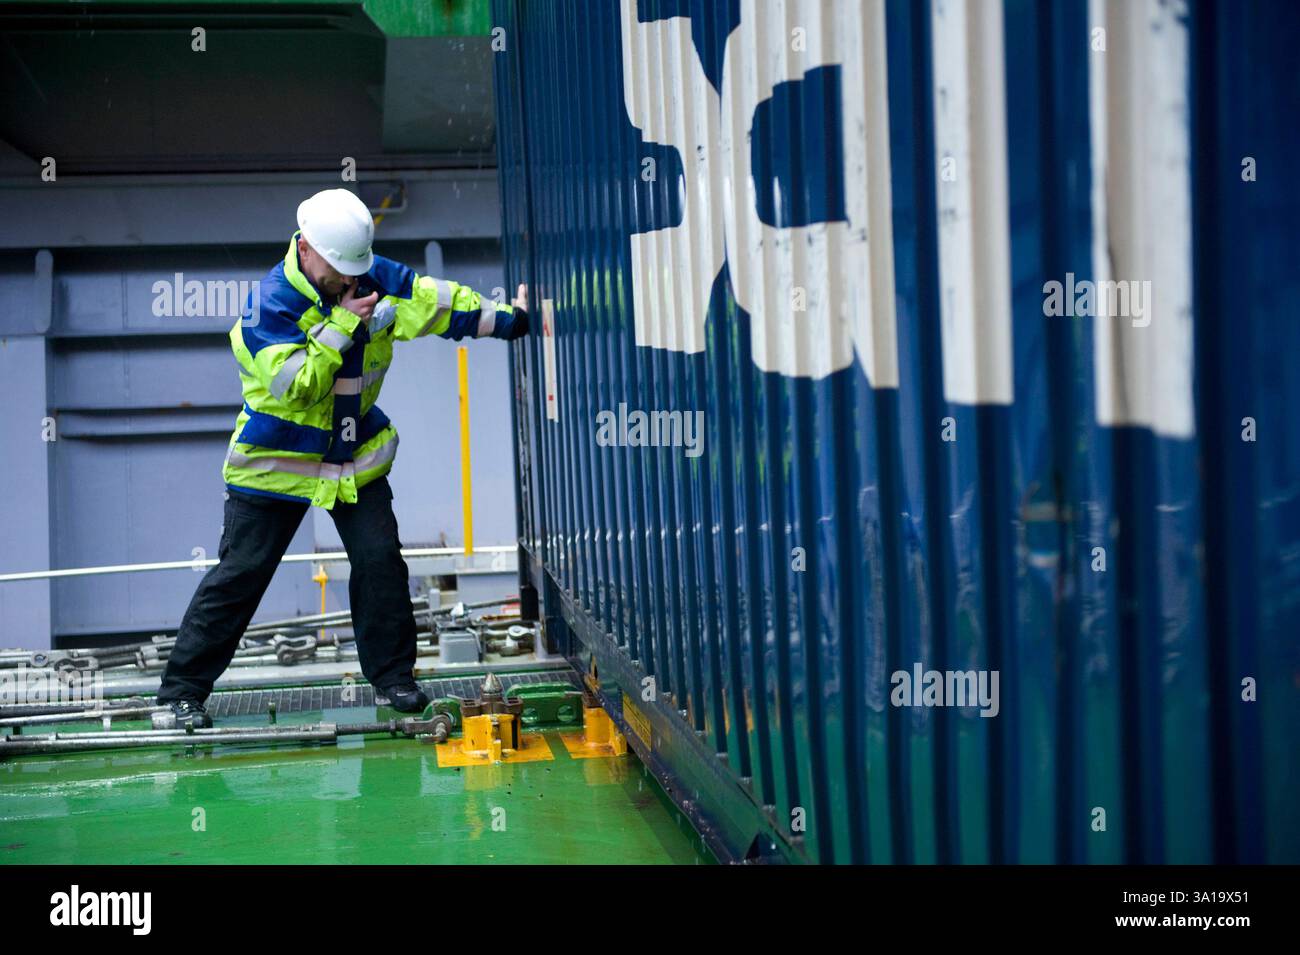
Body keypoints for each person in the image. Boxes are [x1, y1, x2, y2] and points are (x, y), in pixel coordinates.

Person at [156, 188, 528, 726]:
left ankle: (394, 681)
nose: (350, 281)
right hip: (275, 464)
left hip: (352, 455)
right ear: (305, 248)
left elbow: (436, 303)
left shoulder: (368, 275)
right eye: (338, 269)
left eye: (357, 268)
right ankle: (180, 694)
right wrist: (342, 327)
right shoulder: (267, 308)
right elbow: (298, 389)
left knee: (380, 563)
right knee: (241, 574)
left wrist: (509, 320)